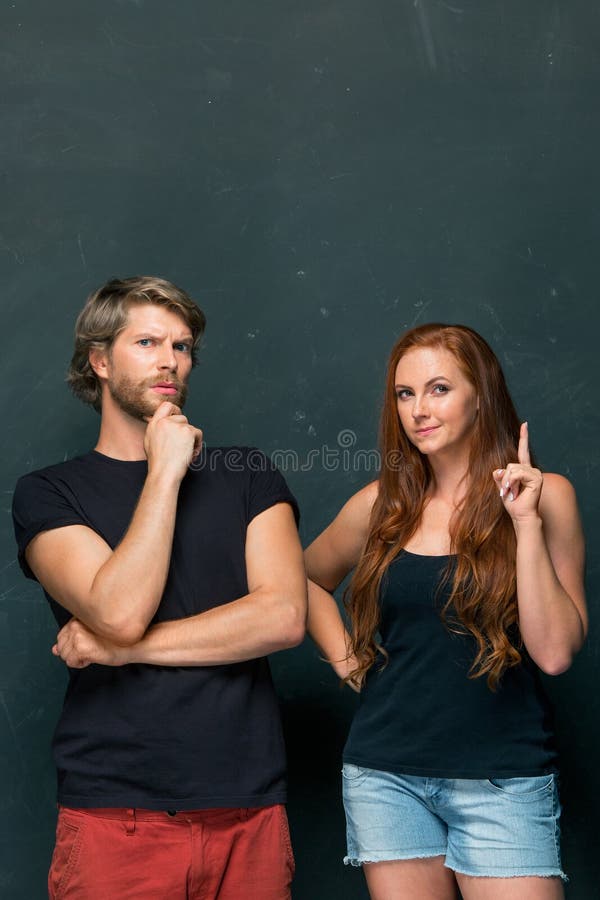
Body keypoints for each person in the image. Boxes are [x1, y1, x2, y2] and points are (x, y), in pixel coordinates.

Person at [12, 276, 306, 900]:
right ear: (99, 360)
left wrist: (126, 650)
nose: (170, 360)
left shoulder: (246, 474)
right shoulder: (49, 492)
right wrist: (165, 470)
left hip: (247, 813)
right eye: (147, 342)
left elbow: (281, 616)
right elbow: (118, 610)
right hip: (117, 819)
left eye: (182, 345)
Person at [305, 323, 586, 900]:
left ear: (480, 394)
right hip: (387, 778)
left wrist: (525, 523)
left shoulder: (547, 496)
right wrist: (347, 663)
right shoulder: (382, 504)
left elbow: (555, 653)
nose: (417, 410)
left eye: (438, 389)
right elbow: (301, 578)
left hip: (502, 779)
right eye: (404, 394)